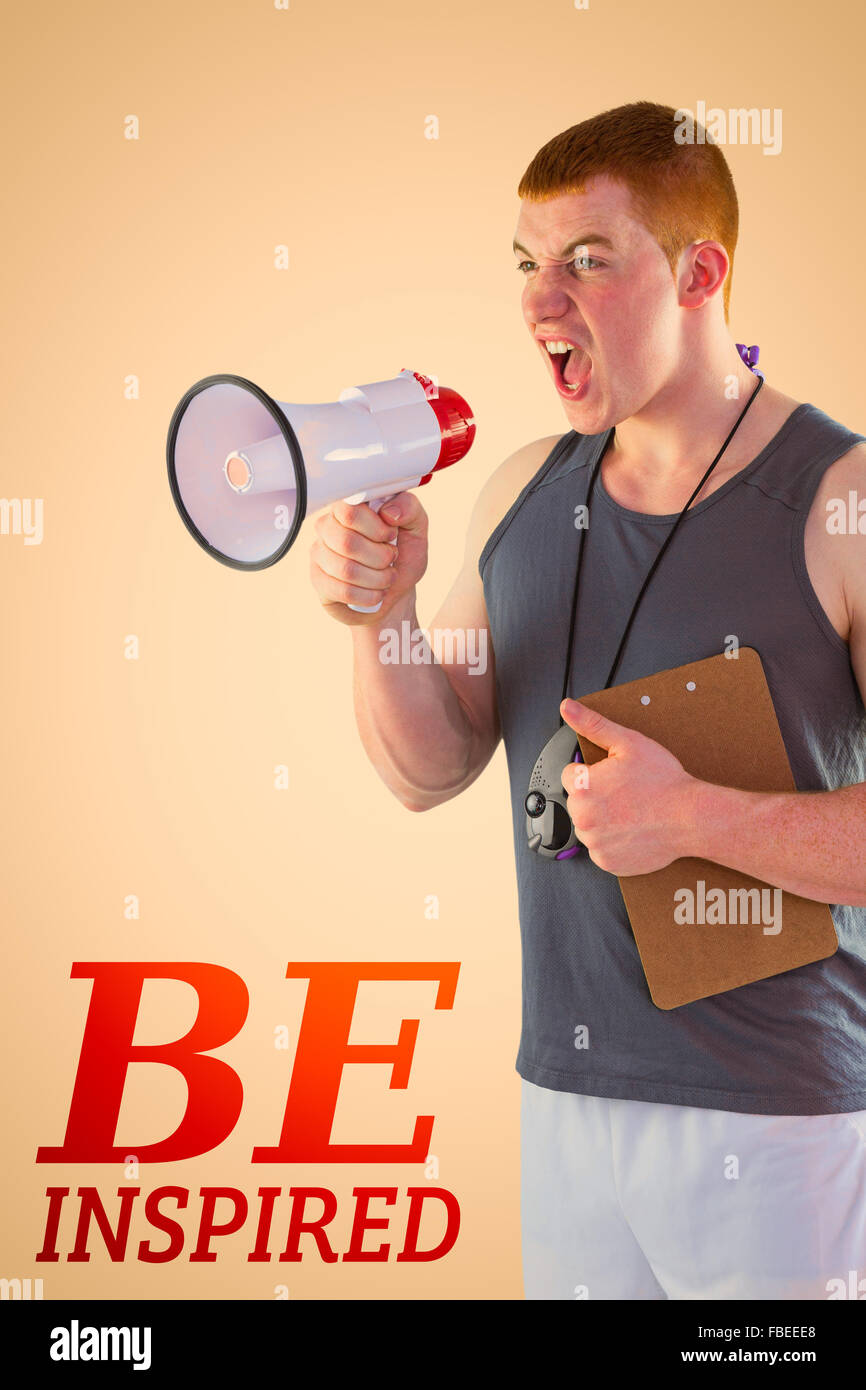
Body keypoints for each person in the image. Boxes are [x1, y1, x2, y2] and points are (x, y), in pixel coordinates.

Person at [309, 100, 866, 1300]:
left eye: (584, 262)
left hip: (774, 1122)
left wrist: (697, 818)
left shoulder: (838, 503)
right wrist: (384, 615)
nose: (534, 302)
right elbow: (428, 767)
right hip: (562, 1105)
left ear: (698, 273)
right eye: (525, 264)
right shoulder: (519, 490)